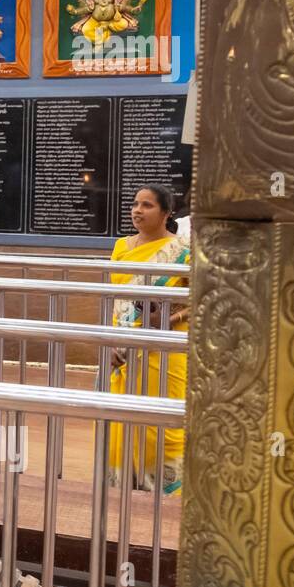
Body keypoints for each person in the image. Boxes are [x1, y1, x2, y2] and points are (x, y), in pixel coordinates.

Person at [107, 184, 189, 495]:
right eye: (135, 204)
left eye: (147, 205)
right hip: (122, 349)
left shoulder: (182, 251)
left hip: (164, 351)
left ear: (167, 213)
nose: (138, 210)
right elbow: (115, 298)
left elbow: (201, 298)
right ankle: (121, 494)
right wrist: (111, 338)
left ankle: (164, 497)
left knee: (160, 425)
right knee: (120, 422)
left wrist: (167, 320)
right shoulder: (121, 247)